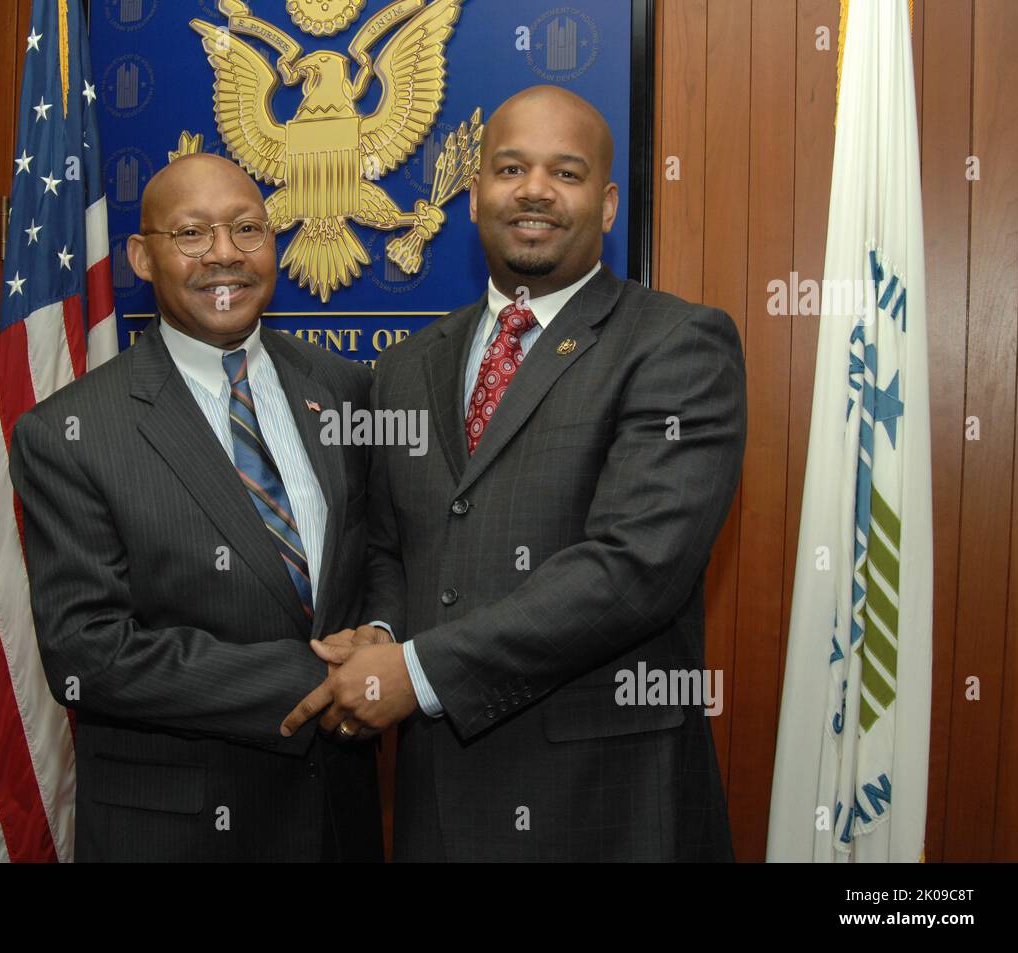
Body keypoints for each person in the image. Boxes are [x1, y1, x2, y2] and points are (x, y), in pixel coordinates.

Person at [282, 86, 747, 861]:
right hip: (440, 798)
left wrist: (415, 670)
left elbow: (635, 569)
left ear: (605, 206)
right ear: (473, 198)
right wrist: (383, 631)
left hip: (607, 803)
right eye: (509, 168)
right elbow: (394, 547)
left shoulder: (676, 344)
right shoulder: (404, 366)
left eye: (565, 174)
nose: (534, 189)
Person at [10, 153, 383, 861]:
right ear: (142, 258)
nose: (224, 255)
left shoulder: (342, 388)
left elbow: (381, 552)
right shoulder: (69, 432)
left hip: (339, 816)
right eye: (191, 234)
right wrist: (324, 680)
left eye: (247, 229)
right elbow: (85, 651)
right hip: (175, 829)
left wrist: (385, 639)